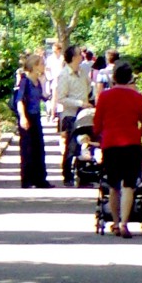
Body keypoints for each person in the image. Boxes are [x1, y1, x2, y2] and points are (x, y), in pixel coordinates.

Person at [92, 59, 142, 235]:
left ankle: (116, 222)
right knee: (129, 185)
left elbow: (97, 125)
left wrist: (100, 135)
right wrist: (138, 133)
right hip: (132, 144)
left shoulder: (105, 97)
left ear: (114, 78)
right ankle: (125, 223)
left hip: (111, 144)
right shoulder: (137, 97)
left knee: (113, 185)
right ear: (130, 78)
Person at [54, 46, 94, 185]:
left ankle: (83, 175)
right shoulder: (64, 75)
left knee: (84, 144)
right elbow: (61, 98)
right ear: (72, 57)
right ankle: (67, 175)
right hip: (70, 114)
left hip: (84, 114)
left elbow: (89, 87)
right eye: (78, 54)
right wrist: (79, 103)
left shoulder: (83, 72)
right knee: (71, 146)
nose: (81, 56)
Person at [14, 50, 50, 188]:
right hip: (27, 116)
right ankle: (27, 179)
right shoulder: (25, 82)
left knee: (39, 147)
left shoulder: (37, 82)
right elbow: (20, 100)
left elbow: (42, 97)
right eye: (41, 64)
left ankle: (40, 179)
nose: (43, 66)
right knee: (27, 148)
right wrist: (23, 117)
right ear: (34, 66)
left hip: (36, 116)